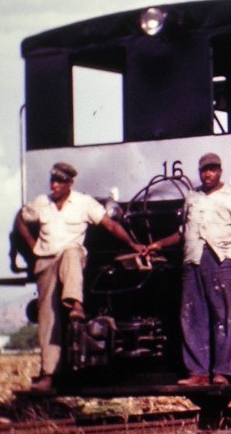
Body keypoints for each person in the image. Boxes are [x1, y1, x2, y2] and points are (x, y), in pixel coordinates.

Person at [13, 161, 146, 392]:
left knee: (72, 252)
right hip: (46, 262)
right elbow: (20, 220)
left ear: (70, 183)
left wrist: (133, 244)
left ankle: (76, 304)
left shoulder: (84, 203)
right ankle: (49, 375)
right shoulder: (41, 203)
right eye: (52, 180)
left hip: (71, 259)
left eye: (60, 181)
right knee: (48, 319)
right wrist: (32, 246)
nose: (54, 185)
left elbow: (110, 226)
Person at [147, 152, 231, 385]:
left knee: (224, 316)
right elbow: (183, 232)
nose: (208, 174)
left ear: (220, 171)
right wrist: (158, 244)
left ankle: (223, 372)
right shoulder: (192, 198)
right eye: (204, 170)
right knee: (192, 317)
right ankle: (199, 372)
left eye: (212, 169)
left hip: (223, 261)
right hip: (192, 261)